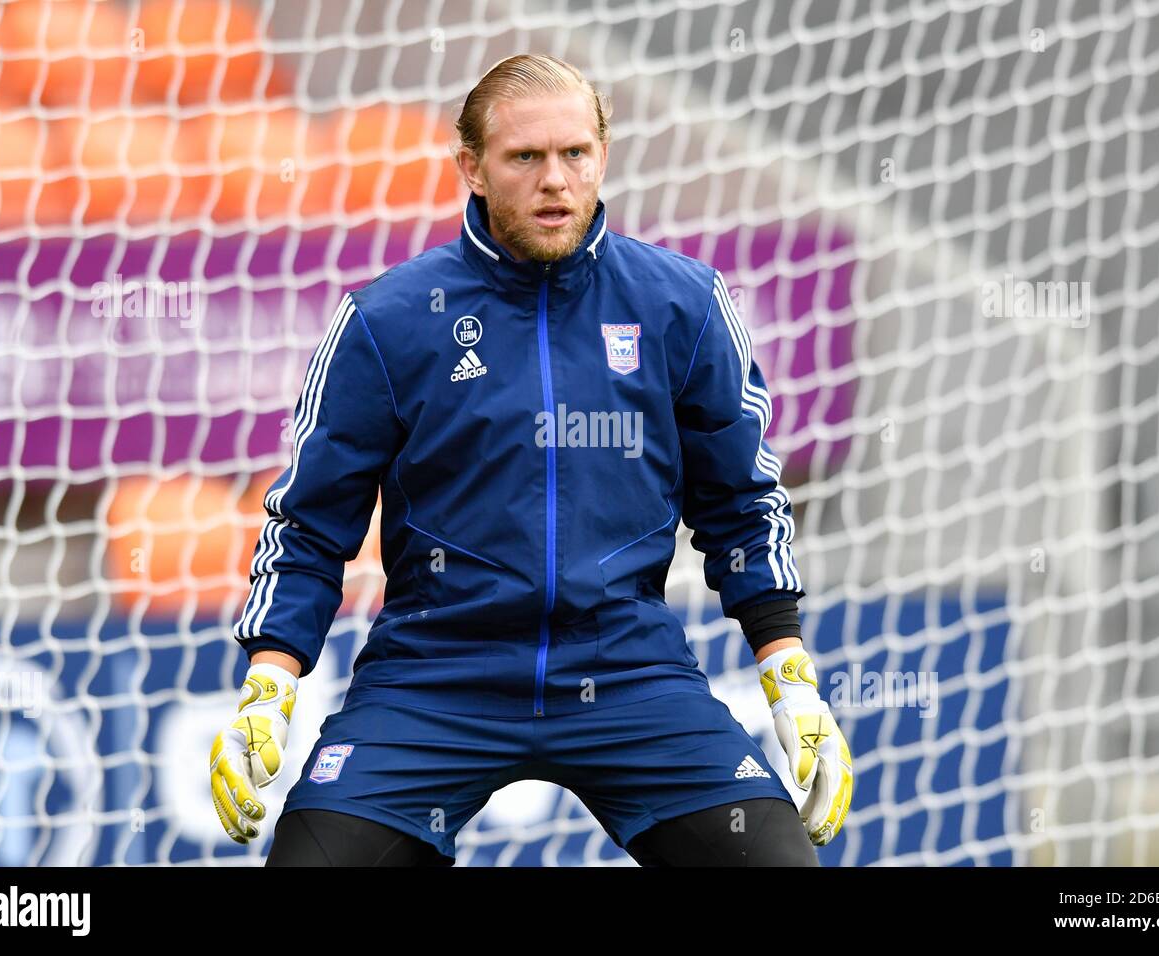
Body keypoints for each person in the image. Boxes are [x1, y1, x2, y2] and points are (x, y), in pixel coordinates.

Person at [209, 54, 853, 867]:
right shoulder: (390, 320)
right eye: (526, 158)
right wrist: (271, 685)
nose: (556, 180)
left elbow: (743, 503)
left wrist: (787, 670)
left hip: (626, 669)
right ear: (471, 168)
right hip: (435, 675)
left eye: (575, 154)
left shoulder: (679, 305)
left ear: (603, 155)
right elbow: (309, 524)